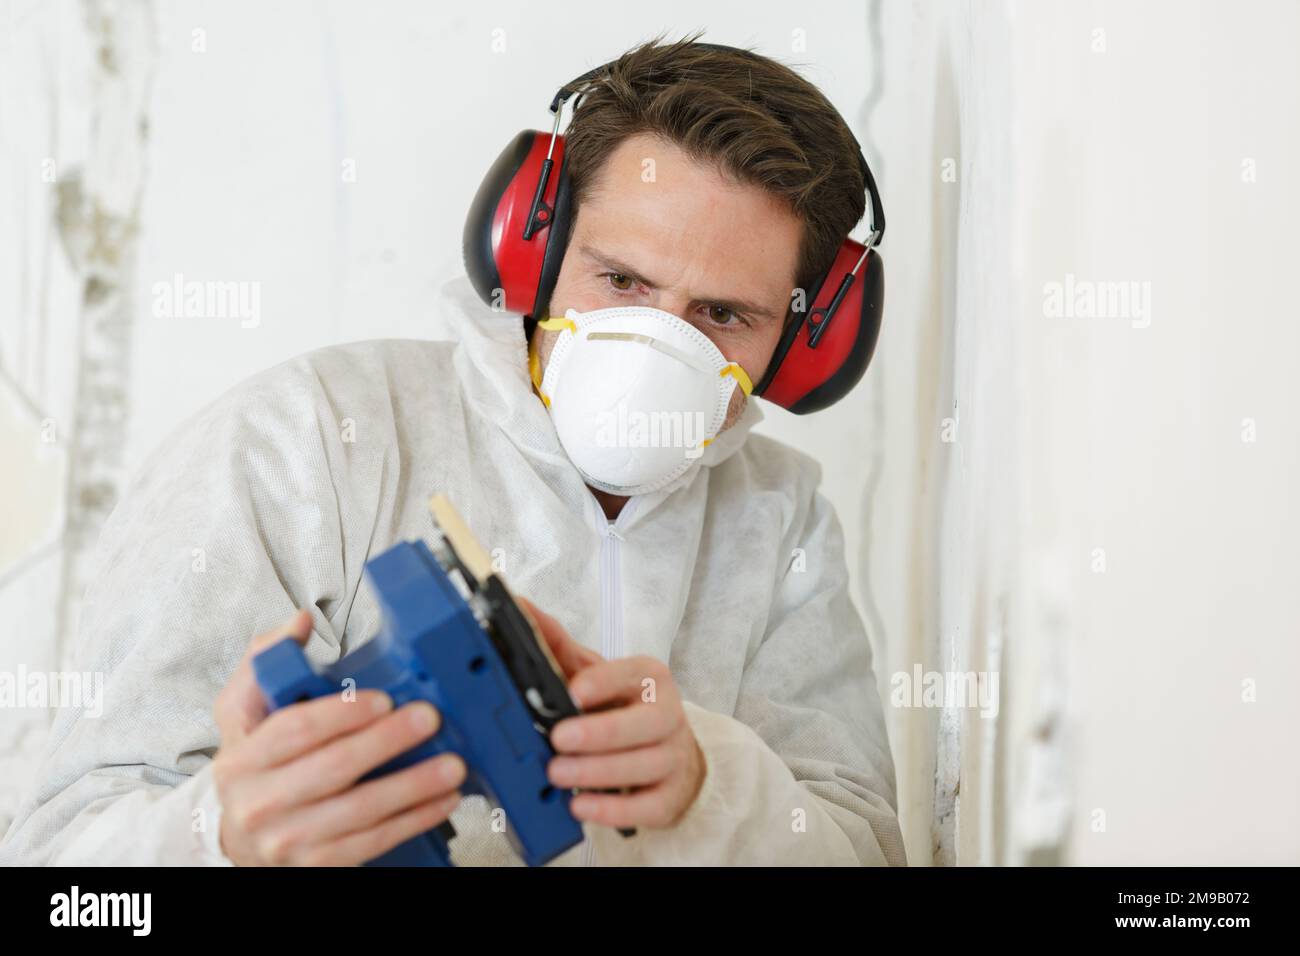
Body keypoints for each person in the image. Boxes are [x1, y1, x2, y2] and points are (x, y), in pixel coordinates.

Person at [0, 35, 906, 867]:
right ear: (533, 249)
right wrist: (219, 836)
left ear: (803, 351)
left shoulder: (779, 519)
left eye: (723, 316)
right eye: (621, 279)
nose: (654, 347)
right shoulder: (305, 441)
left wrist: (713, 791)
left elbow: (868, 851)